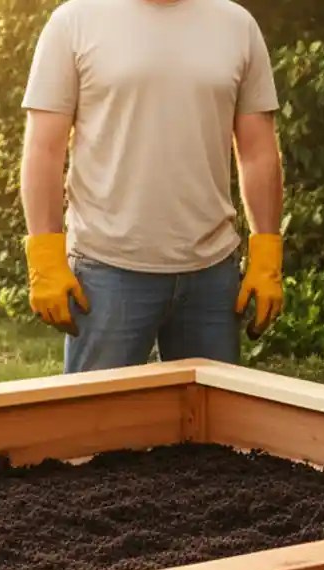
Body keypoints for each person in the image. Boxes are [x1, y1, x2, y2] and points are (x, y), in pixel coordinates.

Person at [18, 0, 286, 373]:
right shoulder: (74, 22)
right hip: (107, 271)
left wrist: (267, 253)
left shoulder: (237, 25)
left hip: (211, 274)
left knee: (208, 427)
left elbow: (258, 152)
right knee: (96, 425)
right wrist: (45, 257)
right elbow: (43, 151)